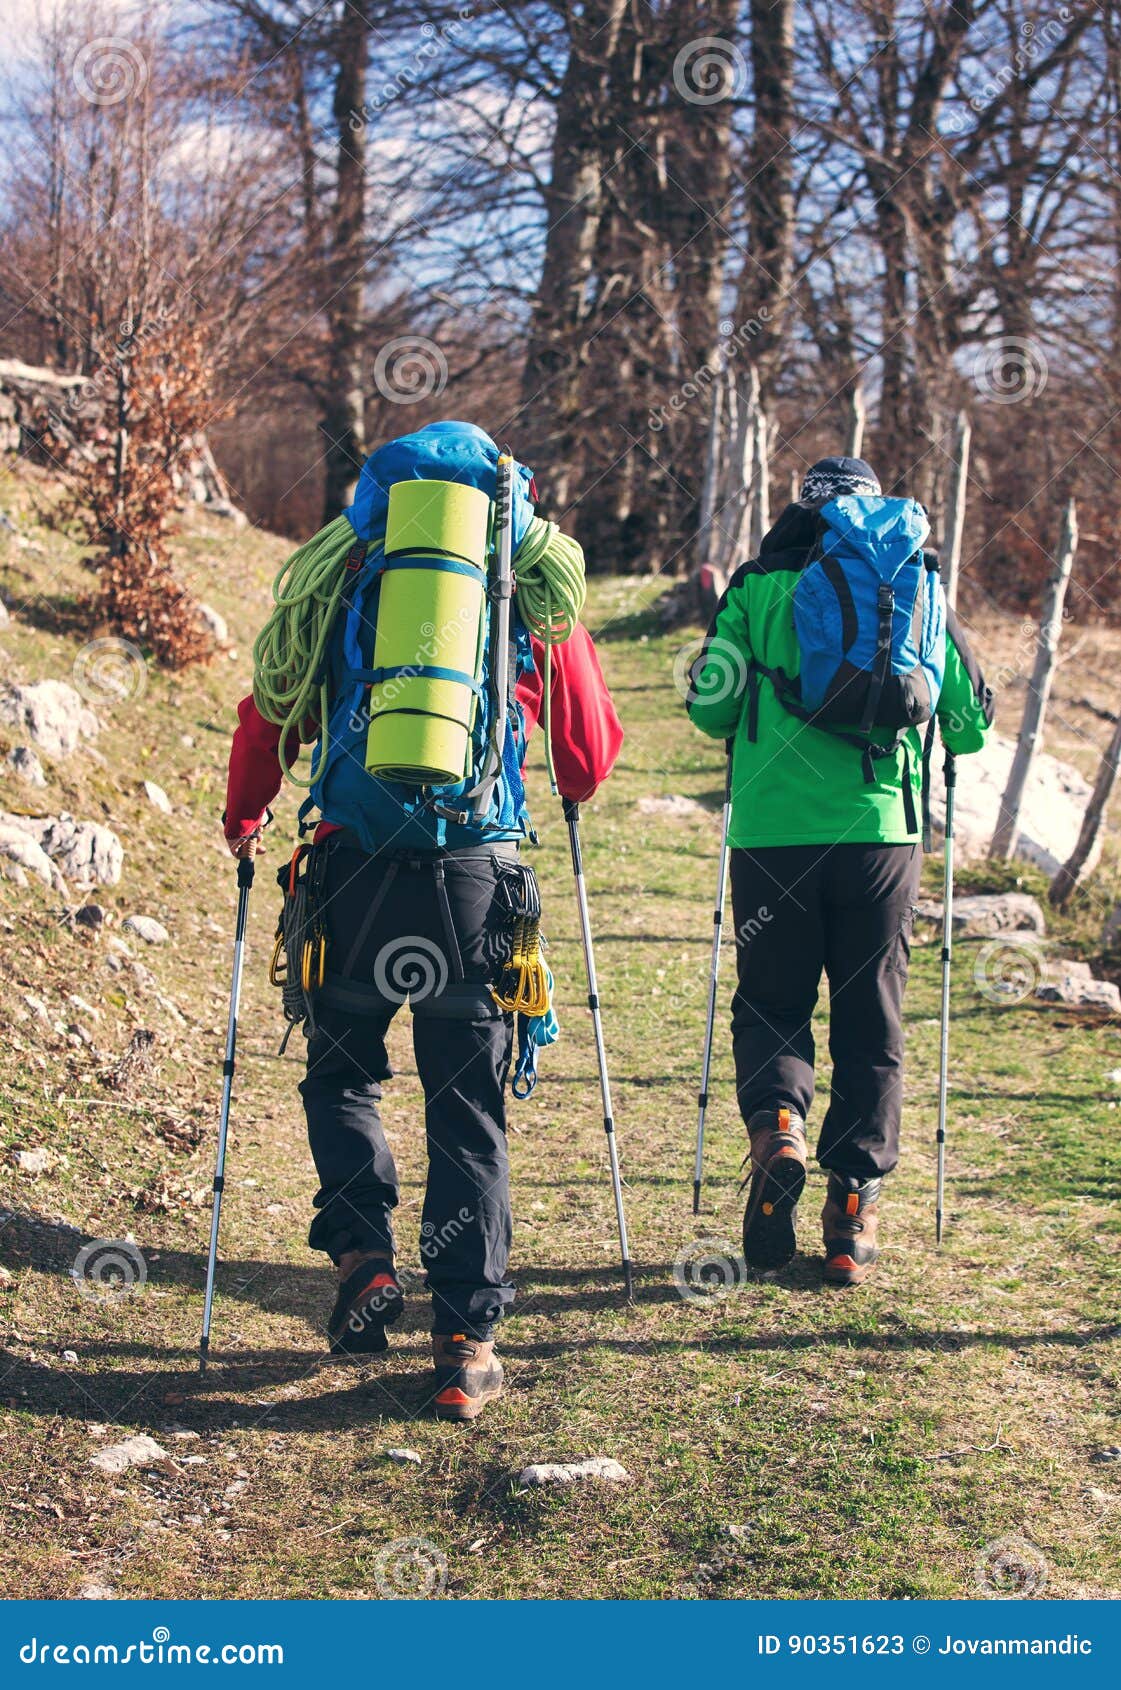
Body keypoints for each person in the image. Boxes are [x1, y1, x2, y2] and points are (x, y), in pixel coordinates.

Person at [224, 421, 622, 1418]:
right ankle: (464, 1342)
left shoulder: (346, 567)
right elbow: (588, 756)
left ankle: (363, 1257)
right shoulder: (526, 584)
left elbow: (274, 702)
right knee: (468, 1112)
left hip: (352, 872)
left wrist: (244, 809)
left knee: (343, 1067)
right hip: (474, 883)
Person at [686, 455, 993, 1285]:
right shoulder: (915, 584)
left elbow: (708, 704)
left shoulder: (755, 588)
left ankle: (779, 1124)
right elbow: (963, 728)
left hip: (771, 836)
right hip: (880, 837)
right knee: (871, 1015)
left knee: (773, 1000)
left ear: (801, 510)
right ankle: (850, 1209)